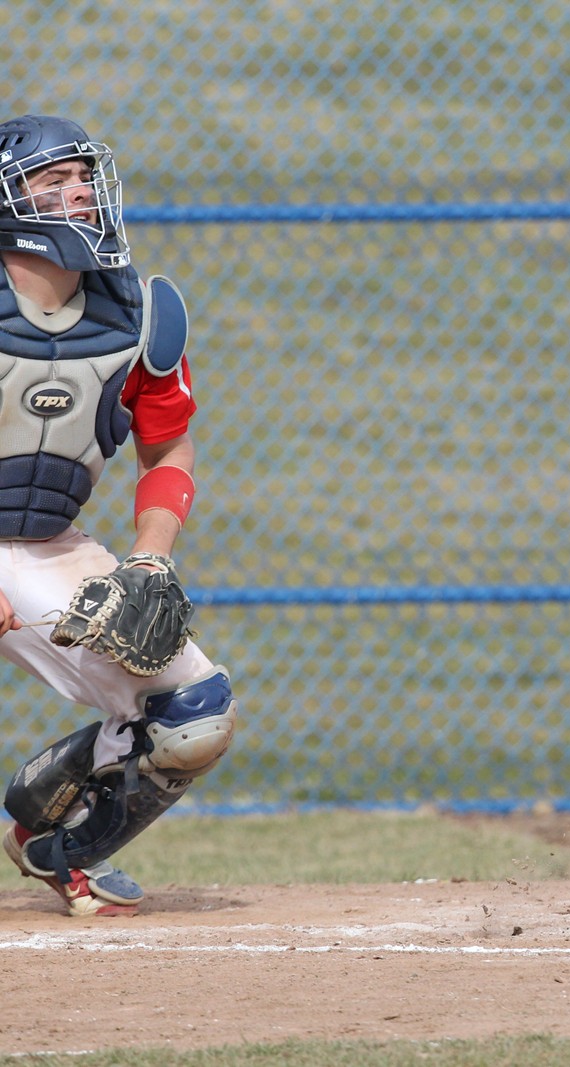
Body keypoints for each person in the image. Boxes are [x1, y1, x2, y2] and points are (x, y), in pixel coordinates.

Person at [0, 115, 238, 916]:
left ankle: (52, 840)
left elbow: (168, 453)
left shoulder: (135, 313)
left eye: (83, 178)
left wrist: (149, 556)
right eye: (51, 179)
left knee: (195, 714)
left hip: (44, 542)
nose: (78, 192)